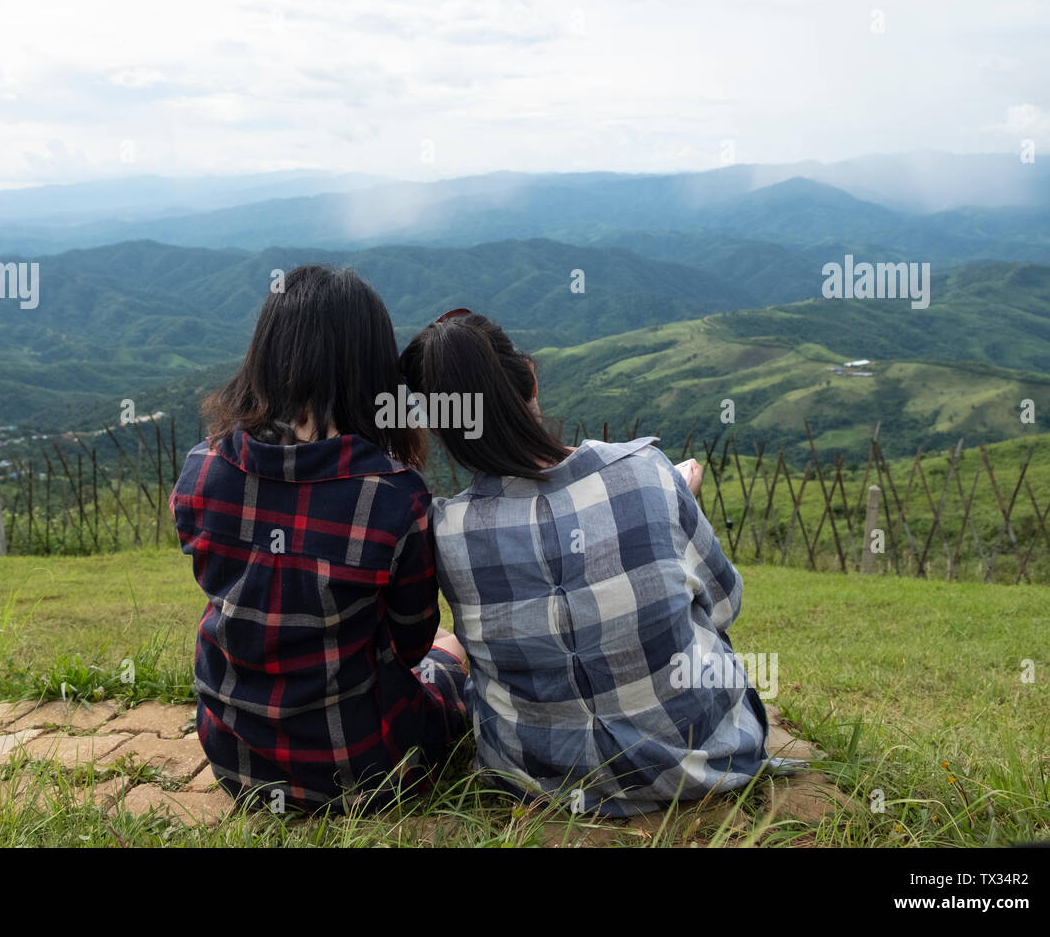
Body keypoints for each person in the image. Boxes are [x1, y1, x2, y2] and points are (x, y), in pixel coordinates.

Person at [398, 310, 769, 817]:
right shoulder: (649, 473)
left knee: (457, 647)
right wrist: (669, 506)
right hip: (705, 761)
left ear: (441, 431)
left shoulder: (445, 530)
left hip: (537, 780)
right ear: (529, 377)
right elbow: (726, 604)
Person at [169, 266, 468, 813]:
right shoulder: (394, 496)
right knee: (452, 652)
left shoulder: (201, 470)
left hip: (237, 761)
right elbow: (412, 644)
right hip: (367, 764)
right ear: (372, 370)